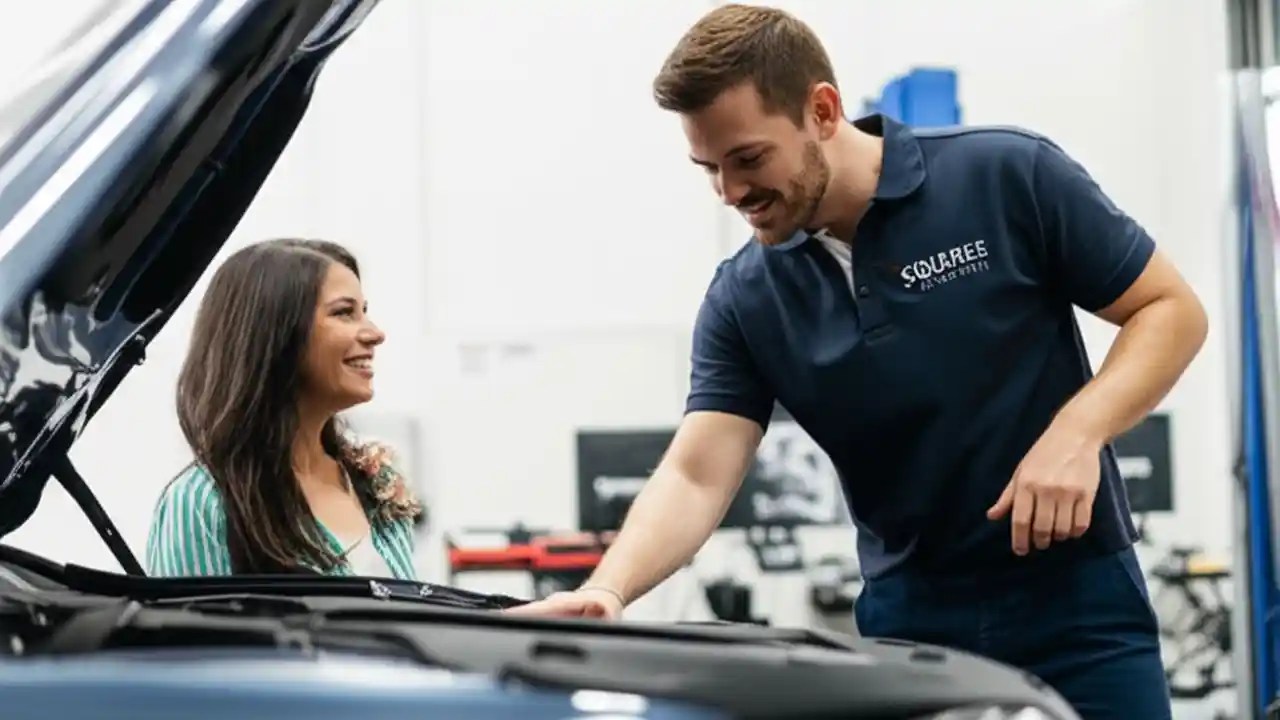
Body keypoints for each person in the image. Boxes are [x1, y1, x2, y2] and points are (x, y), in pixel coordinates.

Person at [507, 5, 1206, 718]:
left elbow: (1170, 309)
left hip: (1078, 611)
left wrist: (1079, 431)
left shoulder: (1005, 175)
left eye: (748, 158)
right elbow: (696, 472)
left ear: (822, 110)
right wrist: (610, 588)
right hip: (912, 632)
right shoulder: (746, 296)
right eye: (708, 168)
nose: (730, 193)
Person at [146, 238, 423, 579]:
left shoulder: (373, 482)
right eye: (343, 312)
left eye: (363, 311)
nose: (375, 333)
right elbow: (192, 633)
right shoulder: (203, 504)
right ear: (274, 335)